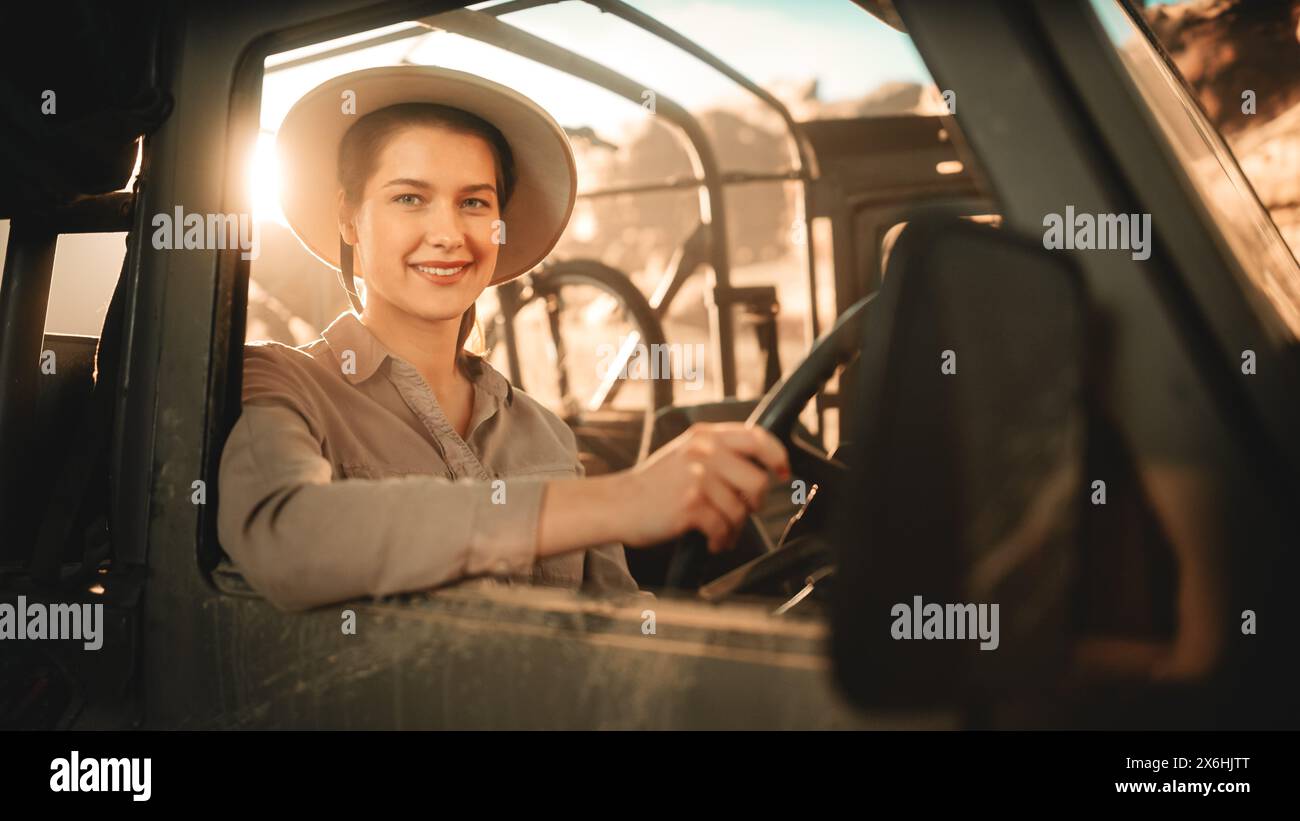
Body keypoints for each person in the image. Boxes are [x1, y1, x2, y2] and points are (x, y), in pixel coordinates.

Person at [217, 66, 790, 612]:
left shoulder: (546, 433)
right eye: (409, 198)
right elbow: (287, 538)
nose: (448, 234)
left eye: (474, 202)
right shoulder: (280, 383)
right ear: (349, 218)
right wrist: (625, 499)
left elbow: (619, 621)